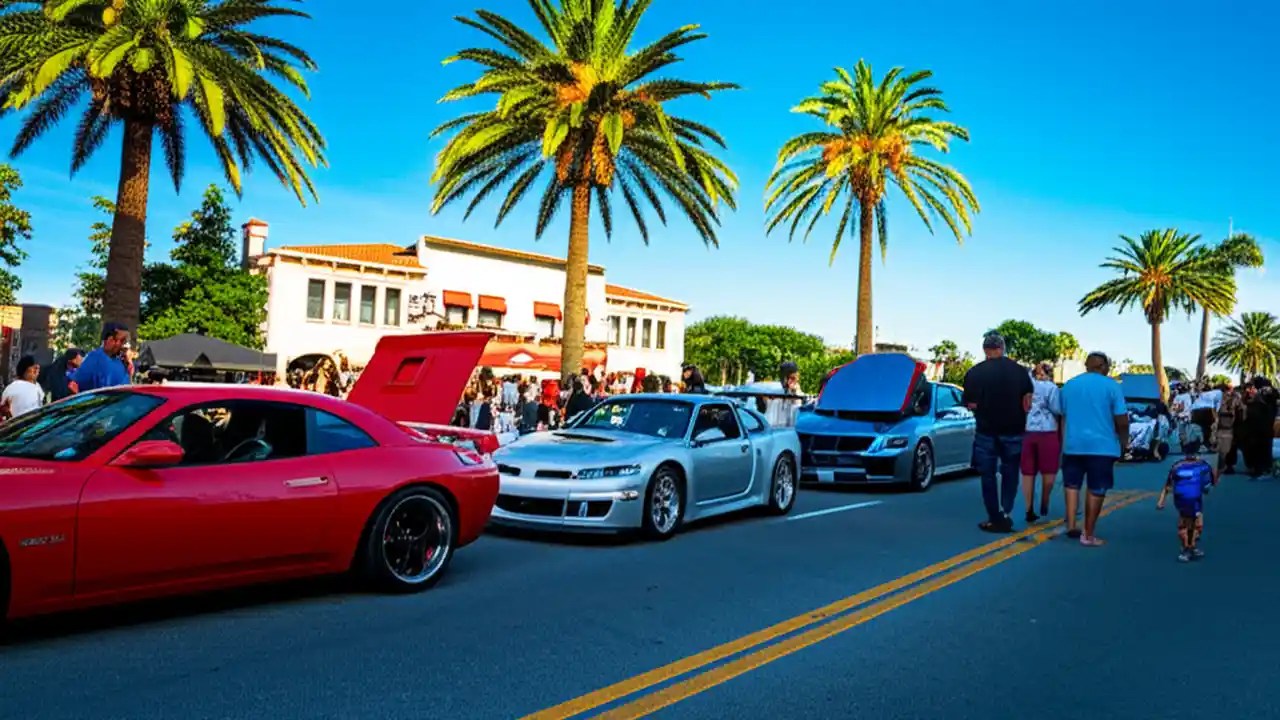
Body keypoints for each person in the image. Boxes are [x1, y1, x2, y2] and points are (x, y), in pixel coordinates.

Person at [962, 332, 1034, 533]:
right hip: (1013, 430)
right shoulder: (1020, 372)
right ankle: (1006, 510)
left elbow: (971, 404)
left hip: (986, 431)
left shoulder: (974, 373)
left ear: (985, 350)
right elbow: (1027, 403)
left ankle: (995, 517)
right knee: (1010, 471)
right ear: (1002, 348)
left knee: (988, 475)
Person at [1059, 351, 1128, 546]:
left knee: (1072, 484)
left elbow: (1062, 415)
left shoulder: (1069, 385)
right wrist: (1124, 440)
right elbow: (1121, 419)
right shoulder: (1112, 386)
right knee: (1097, 488)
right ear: (1103, 367)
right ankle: (1088, 534)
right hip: (1102, 446)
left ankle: (1071, 524)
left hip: (1073, 444)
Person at [1157, 446, 1217, 562]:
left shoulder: (1177, 465)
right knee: (1189, 524)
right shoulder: (1202, 465)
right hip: (1191, 499)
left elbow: (1168, 485)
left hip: (1183, 499)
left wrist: (1161, 501)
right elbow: (1209, 484)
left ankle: (1191, 547)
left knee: (1194, 523)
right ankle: (1186, 549)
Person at [1020, 362, 1062, 522]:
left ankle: (1028, 507)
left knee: (1028, 472)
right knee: (1049, 471)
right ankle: (1045, 500)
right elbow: (1057, 409)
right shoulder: (1051, 388)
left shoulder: (1025, 388)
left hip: (1028, 430)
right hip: (1048, 431)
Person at [73, 322, 132, 393]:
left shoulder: (121, 362)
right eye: (122, 341)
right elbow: (74, 384)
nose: (124, 345)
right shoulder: (95, 358)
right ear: (110, 340)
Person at [761, 361, 804, 428]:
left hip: (787, 432)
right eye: (792, 378)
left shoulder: (797, 392)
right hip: (770, 431)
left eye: (795, 378)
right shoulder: (772, 390)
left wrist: (794, 392)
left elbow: (797, 404)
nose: (796, 380)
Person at [2, 355, 44, 419]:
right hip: (19, 425)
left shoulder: (37, 386)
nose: (36, 371)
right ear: (24, 370)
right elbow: (3, 409)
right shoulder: (13, 388)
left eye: (38, 368)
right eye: (34, 368)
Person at [1216, 383, 1244, 474]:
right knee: (1231, 447)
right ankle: (1229, 466)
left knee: (1223, 448)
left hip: (1223, 426)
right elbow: (1241, 411)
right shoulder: (1236, 398)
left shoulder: (1218, 398)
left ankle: (1223, 466)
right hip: (1231, 426)